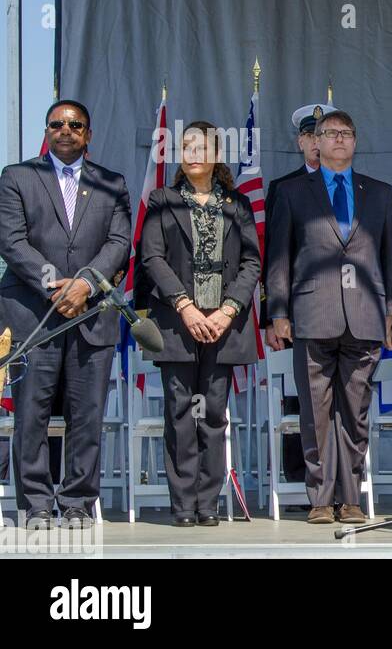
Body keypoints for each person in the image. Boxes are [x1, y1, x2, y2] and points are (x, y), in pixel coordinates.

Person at [0, 99, 132, 529]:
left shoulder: (112, 183)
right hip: (34, 314)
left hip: (91, 316)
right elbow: (12, 241)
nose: (66, 130)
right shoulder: (18, 177)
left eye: (75, 124)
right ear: (47, 130)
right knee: (32, 414)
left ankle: (76, 502)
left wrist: (86, 284)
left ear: (88, 134)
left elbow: (118, 243)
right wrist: (57, 283)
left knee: (86, 414)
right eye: (57, 124)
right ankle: (35, 504)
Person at [267, 110, 392, 525]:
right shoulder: (292, 192)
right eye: (330, 134)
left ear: (355, 141)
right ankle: (320, 498)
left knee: (356, 410)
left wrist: (391, 312)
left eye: (346, 133)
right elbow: (279, 258)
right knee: (316, 411)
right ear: (316, 142)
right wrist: (277, 312)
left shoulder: (378, 193)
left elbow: (390, 257)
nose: (339, 140)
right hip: (312, 313)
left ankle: (351, 498)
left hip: (365, 315)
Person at [136, 121, 262, 527]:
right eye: (186, 145)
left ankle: (208, 503)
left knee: (212, 415)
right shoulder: (162, 199)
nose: (193, 152)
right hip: (178, 323)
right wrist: (187, 308)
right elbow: (152, 257)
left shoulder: (237, 204)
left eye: (201, 146)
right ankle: (183, 505)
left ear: (215, 155)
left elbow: (251, 262)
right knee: (181, 414)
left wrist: (227, 311)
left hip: (223, 327)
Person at [264, 103, 337, 491]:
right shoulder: (284, 187)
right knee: (299, 401)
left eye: (322, 135)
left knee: (338, 403)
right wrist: (274, 314)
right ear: (300, 141)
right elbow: (276, 256)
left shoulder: (348, 185)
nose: (315, 143)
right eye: (309, 135)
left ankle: (339, 482)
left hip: (343, 312)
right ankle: (298, 479)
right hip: (298, 313)